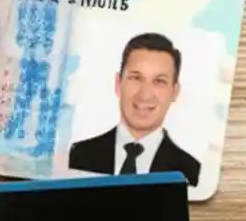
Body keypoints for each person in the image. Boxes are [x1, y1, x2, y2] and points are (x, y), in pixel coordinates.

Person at [69, 32, 200, 187]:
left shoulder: (191, 174)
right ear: (118, 83)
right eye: (136, 78)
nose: (145, 95)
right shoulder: (77, 156)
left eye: (159, 81)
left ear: (175, 92)